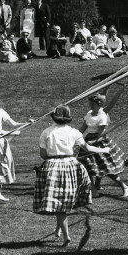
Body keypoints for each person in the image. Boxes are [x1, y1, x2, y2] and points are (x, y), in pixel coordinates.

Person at [33, 104, 94, 245]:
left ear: (53, 117)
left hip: (53, 167)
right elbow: (86, 148)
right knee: (63, 201)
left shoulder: (46, 132)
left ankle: (66, 236)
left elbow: (43, 155)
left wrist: (55, 156)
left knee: (59, 202)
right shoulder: (74, 132)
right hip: (72, 167)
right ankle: (59, 230)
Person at [78, 93, 128, 197]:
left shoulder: (102, 116)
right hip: (88, 140)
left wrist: (91, 144)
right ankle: (94, 189)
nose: (91, 106)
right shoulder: (89, 113)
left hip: (99, 143)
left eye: (93, 104)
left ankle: (124, 186)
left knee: (106, 168)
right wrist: (75, 137)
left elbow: (101, 134)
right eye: (90, 104)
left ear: (99, 104)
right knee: (88, 167)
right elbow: (82, 128)